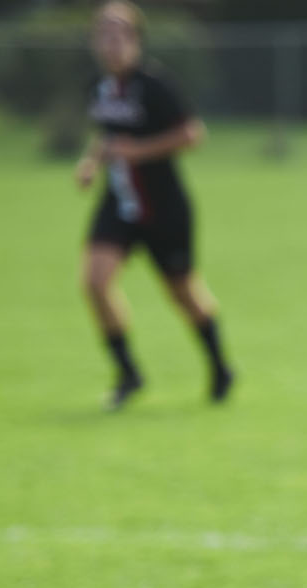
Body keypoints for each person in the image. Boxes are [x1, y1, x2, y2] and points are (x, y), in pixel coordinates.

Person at [76, 1, 231, 410]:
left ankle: (220, 366)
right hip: (118, 204)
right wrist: (91, 163)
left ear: (135, 41)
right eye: (103, 35)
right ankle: (128, 373)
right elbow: (107, 134)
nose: (111, 44)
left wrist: (138, 151)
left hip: (163, 207)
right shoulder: (99, 88)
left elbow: (192, 134)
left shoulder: (156, 85)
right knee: (95, 282)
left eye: (119, 35)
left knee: (183, 293)